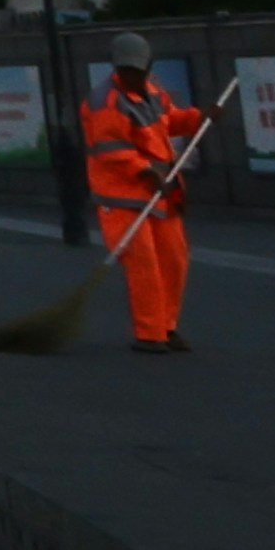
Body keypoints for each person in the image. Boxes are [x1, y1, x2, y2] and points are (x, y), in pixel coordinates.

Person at [79, 34, 203, 350]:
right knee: (144, 264)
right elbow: (112, 151)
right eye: (127, 70)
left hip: (160, 192)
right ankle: (150, 334)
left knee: (174, 260)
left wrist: (199, 118)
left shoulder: (153, 94)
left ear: (148, 67)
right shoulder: (104, 102)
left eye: (138, 70)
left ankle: (166, 326)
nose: (133, 75)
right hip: (123, 198)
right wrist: (146, 171)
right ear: (116, 67)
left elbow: (170, 121)